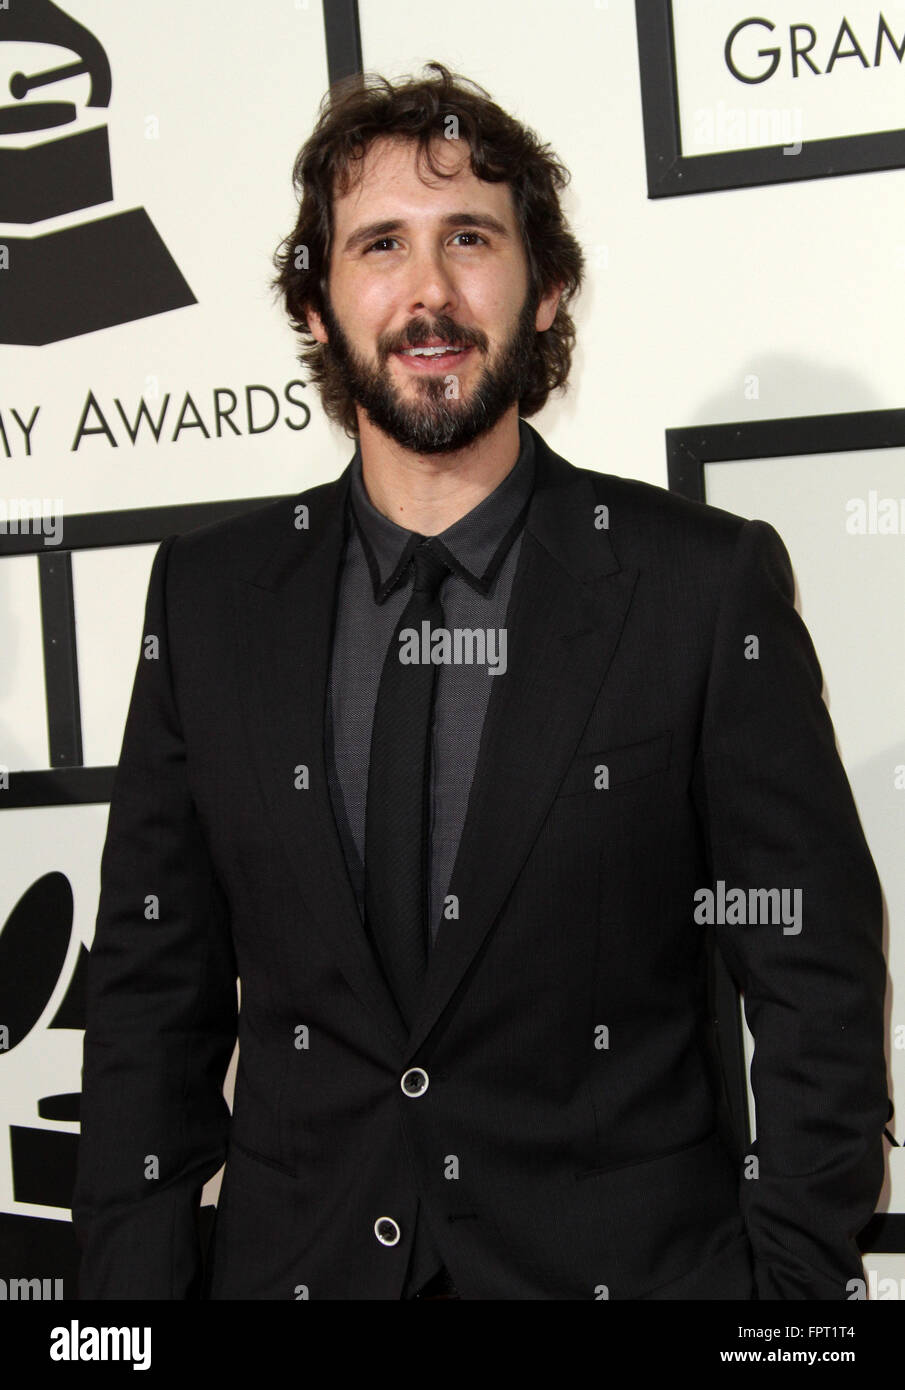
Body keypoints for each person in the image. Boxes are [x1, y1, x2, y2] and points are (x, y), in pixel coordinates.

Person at [72, 61, 889, 1300]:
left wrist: (783, 1297)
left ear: (547, 287)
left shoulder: (695, 587)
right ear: (316, 306)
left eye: (470, 238)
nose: (428, 292)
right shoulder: (208, 601)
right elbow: (147, 1000)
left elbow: (810, 969)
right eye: (378, 246)